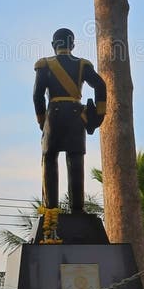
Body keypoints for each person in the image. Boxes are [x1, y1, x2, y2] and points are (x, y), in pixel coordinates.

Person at [33, 28, 106, 211]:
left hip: (54, 116)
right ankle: (77, 210)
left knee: (49, 158)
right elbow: (100, 85)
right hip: (76, 115)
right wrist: (99, 113)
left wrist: (42, 121)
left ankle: (51, 210)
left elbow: (37, 95)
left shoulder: (45, 65)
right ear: (72, 45)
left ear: (53, 45)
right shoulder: (83, 65)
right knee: (75, 160)